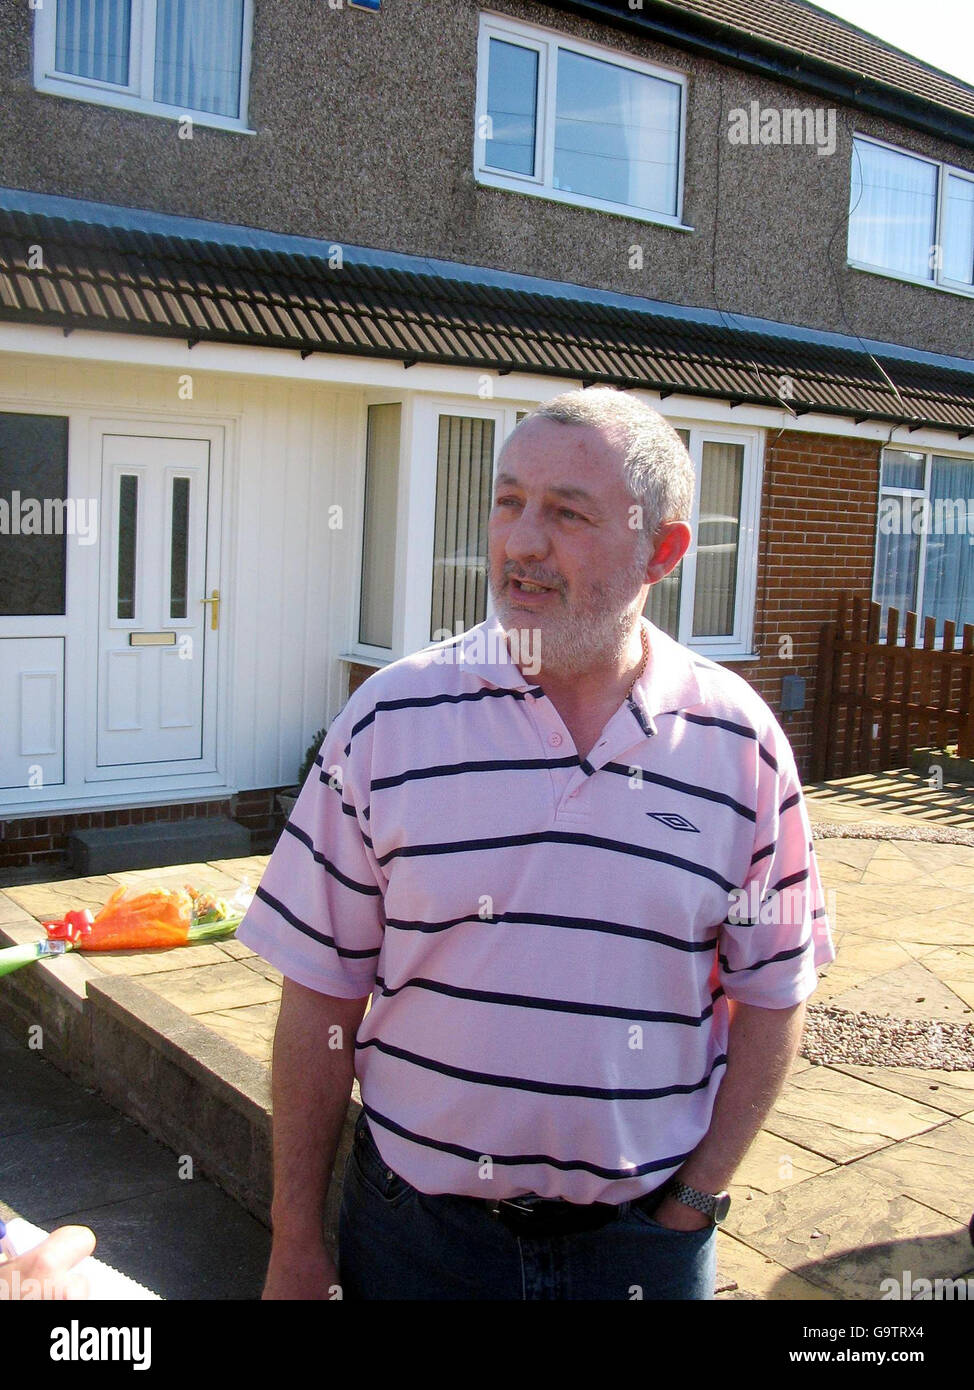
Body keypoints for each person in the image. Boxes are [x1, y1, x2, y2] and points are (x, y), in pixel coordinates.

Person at [238, 386, 835, 1300]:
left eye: (566, 513)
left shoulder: (740, 744)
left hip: (642, 1252)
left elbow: (776, 991)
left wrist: (696, 1201)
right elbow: (319, 998)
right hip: (415, 1244)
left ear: (663, 551)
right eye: (509, 501)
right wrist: (293, 1242)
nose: (520, 542)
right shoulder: (388, 723)